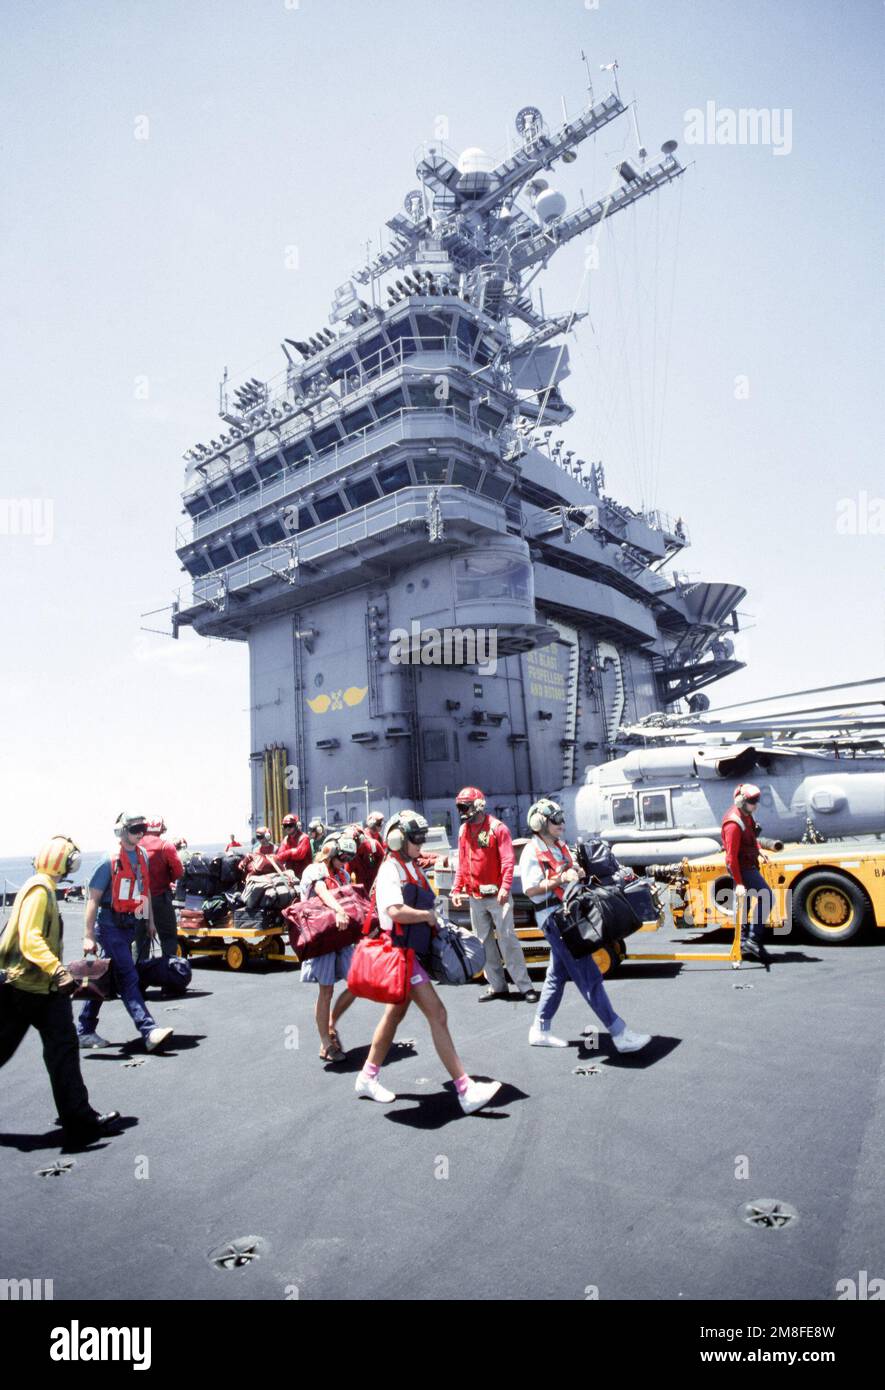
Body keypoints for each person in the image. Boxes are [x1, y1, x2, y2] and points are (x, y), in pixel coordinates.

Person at [354, 810, 501, 1114]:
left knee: (394, 1017)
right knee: (438, 1014)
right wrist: (427, 916)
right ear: (398, 840)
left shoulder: (409, 866)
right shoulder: (390, 871)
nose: (421, 843)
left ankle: (367, 1077)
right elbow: (394, 911)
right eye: (416, 838)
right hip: (399, 955)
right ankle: (465, 1090)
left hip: (408, 953)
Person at [0, 836, 122, 1147]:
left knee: (64, 1051)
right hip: (24, 988)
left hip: (43, 990)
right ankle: (80, 1120)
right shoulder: (40, 891)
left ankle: (81, 1122)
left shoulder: (42, 888)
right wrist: (58, 971)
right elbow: (30, 940)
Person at [519, 798, 651, 1053]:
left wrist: (576, 871)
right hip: (556, 920)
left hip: (571, 914)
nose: (561, 823)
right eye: (555, 819)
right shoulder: (531, 851)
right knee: (588, 975)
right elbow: (531, 889)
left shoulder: (558, 846)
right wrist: (560, 878)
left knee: (556, 975)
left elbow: (570, 872)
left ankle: (540, 1028)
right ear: (540, 823)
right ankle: (620, 1033)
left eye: (561, 818)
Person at [77, 813, 173, 1053]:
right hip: (109, 928)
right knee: (129, 976)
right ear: (122, 831)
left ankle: (84, 1029)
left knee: (106, 977)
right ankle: (148, 1030)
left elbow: (144, 891)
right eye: (134, 829)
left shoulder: (142, 857)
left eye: (142, 828)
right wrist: (89, 936)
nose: (139, 833)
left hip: (130, 926)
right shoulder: (107, 861)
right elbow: (93, 900)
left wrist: (149, 921)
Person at [449, 786, 538, 1004]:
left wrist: (505, 889)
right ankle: (497, 986)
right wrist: (456, 888)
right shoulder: (463, 831)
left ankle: (525, 986)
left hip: (498, 896)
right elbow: (463, 862)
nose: (462, 811)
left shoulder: (498, 829)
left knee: (508, 940)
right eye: (460, 807)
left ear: (478, 805)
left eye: (465, 806)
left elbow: (508, 861)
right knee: (483, 942)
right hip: (476, 898)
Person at [299, 835, 359, 1062]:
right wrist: (339, 911)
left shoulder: (343, 874)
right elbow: (322, 891)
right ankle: (325, 1042)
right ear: (332, 852)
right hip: (323, 936)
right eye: (342, 856)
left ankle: (331, 1024)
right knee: (326, 990)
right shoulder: (314, 870)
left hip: (341, 936)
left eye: (349, 857)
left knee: (357, 982)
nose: (345, 861)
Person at [721, 783, 783, 969]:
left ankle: (744, 943)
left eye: (756, 801)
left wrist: (759, 850)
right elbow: (731, 857)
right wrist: (739, 882)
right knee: (766, 897)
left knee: (745, 904)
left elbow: (751, 837)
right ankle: (752, 941)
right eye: (752, 802)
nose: (755, 805)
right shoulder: (733, 823)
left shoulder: (746, 816)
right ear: (741, 801)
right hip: (742, 868)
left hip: (749, 863)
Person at [138, 817, 183, 961]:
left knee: (140, 941)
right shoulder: (166, 846)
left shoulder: (135, 846)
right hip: (161, 898)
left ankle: (137, 979)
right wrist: (167, 880)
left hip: (140, 901)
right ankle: (169, 977)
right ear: (160, 829)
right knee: (169, 938)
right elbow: (179, 871)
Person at [348, 823, 383, 893]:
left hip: (376, 885)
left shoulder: (373, 846)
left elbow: (383, 863)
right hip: (360, 888)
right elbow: (347, 874)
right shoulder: (349, 852)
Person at [276, 814, 312, 878]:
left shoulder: (304, 838)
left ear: (296, 826)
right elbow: (279, 856)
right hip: (291, 875)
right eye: (285, 826)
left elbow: (299, 855)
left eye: (290, 825)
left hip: (304, 875)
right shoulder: (286, 839)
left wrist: (287, 854)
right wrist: (291, 851)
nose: (288, 828)